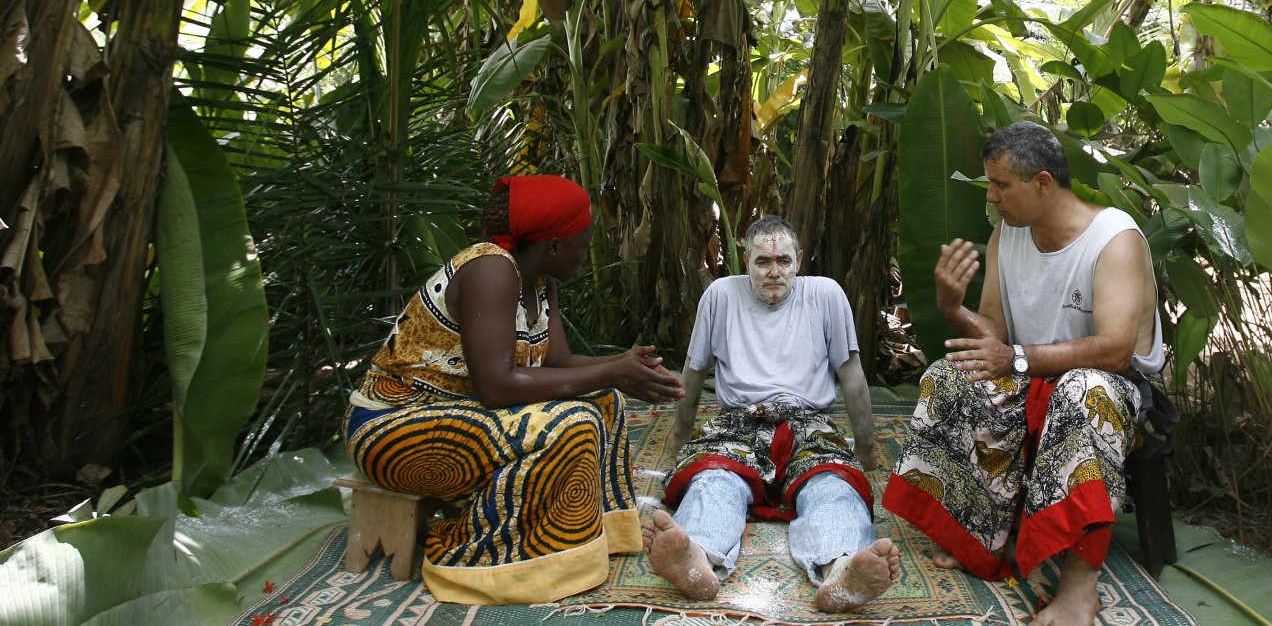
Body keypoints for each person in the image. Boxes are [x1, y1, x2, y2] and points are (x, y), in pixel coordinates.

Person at [344, 175, 685, 604]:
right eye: (584, 242)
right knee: (570, 423)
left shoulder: (540, 281)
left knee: (605, 402)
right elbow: (497, 387)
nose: (587, 253)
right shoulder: (490, 268)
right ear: (555, 245)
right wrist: (613, 371)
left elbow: (558, 364)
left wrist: (624, 365)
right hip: (391, 429)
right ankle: (487, 559)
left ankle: (589, 538)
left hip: (461, 417)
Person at [883, 122, 1164, 626]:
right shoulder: (1005, 236)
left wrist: (1015, 359)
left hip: (1110, 386)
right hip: (1030, 373)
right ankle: (985, 539)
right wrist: (952, 308)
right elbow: (992, 327)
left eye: (1000, 185)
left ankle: (1081, 585)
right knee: (949, 376)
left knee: (1083, 391)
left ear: (1041, 183)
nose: (990, 198)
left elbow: (1116, 350)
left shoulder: (1114, 240)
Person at [642, 215, 901, 611]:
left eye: (783, 260)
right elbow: (693, 373)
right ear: (745, 262)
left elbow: (852, 375)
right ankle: (697, 556)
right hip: (738, 422)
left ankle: (843, 567)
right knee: (713, 480)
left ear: (799, 259)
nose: (774, 271)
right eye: (763, 261)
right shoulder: (720, 295)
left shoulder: (826, 294)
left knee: (831, 485)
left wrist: (865, 451)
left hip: (808, 423)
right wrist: (680, 439)